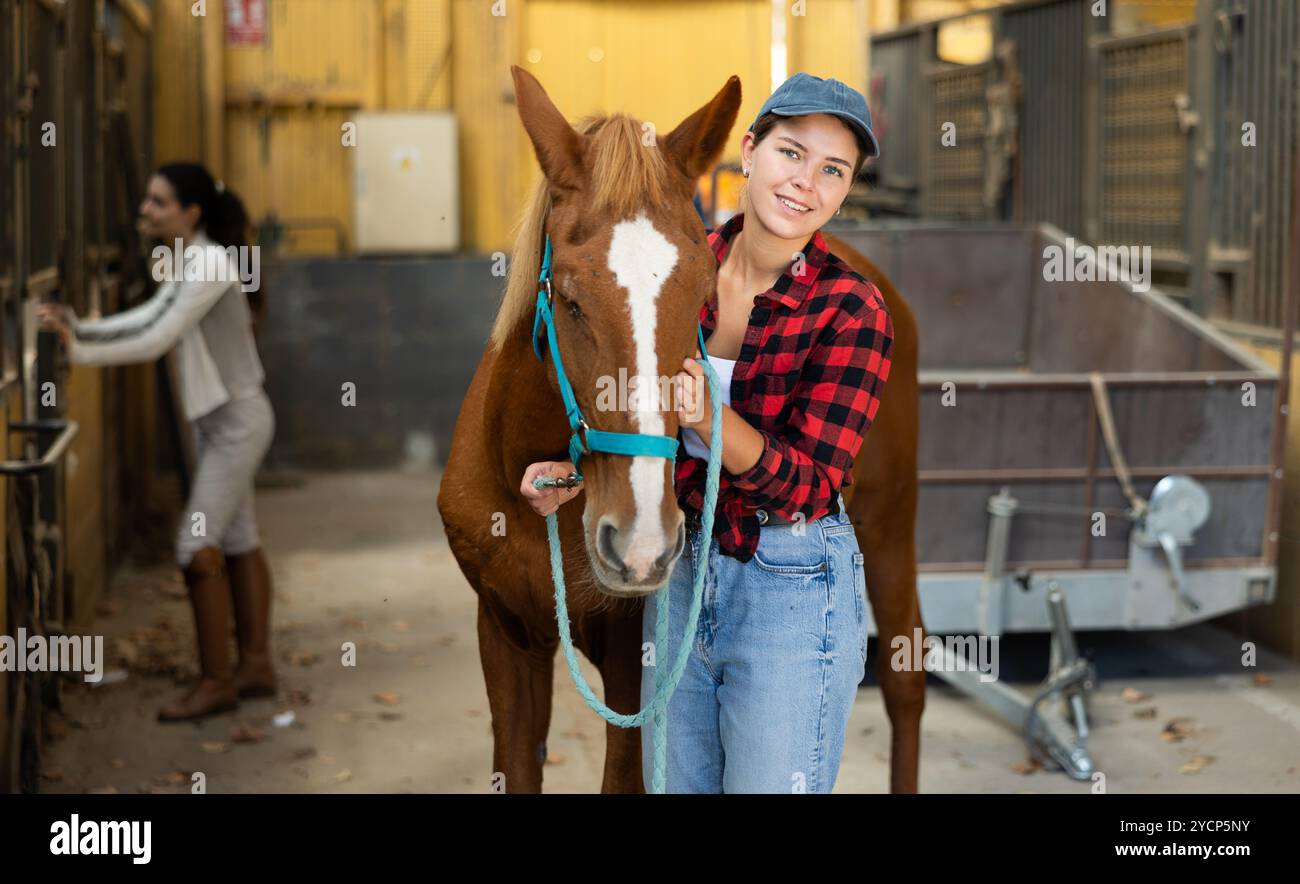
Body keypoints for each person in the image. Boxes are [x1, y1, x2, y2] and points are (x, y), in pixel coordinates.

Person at [521, 73, 894, 792]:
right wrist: (580, 474)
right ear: (748, 152)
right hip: (685, 575)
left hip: (789, 579)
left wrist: (708, 418)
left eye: (833, 170)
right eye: (791, 153)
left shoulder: (852, 309)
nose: (805, 183)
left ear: (846, 189)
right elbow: (641, 417)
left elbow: (813, 485)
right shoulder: (677, 268)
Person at [39, 162, 278, 722]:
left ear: (190, 212)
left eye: (158, 201)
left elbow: (158, 338)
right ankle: (256, 667)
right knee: (237, 538)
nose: (145, 210)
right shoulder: (193, 258)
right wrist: (80, 325)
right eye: (146, 199)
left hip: (237, 422)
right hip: (223, 422)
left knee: (194, 547)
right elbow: (152, 316)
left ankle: (218, 681)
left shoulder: (213, 262)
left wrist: (80, 350)